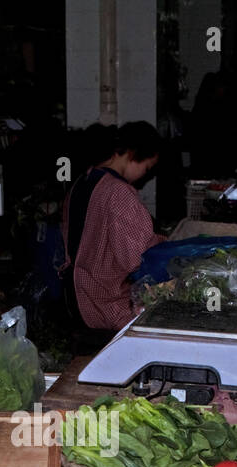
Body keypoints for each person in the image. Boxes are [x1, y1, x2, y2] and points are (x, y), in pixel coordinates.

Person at [60, 122, 165, 337]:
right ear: (133, 155)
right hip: (103, 302)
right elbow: (136, 259)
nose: (145, 175)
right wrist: (166, 244)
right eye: (147, 168)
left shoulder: (84, 180)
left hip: (74, 293)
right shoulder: (119, 192)